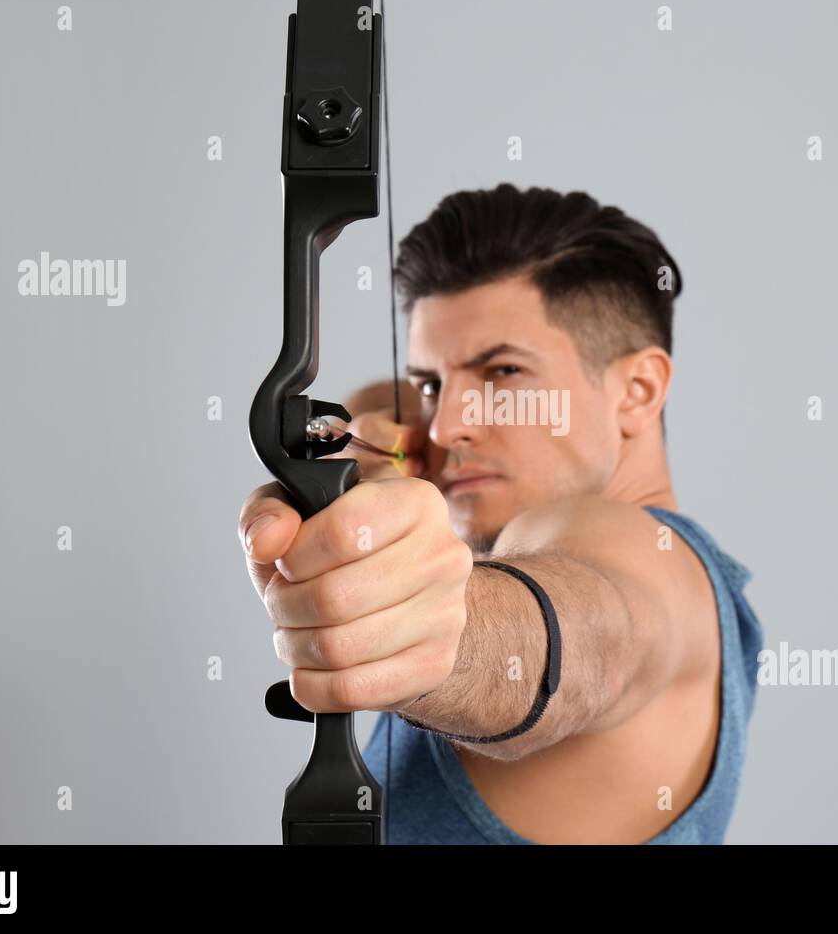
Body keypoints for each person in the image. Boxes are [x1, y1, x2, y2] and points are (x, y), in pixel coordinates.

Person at [237, 183, 762, 844]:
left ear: (638, 391)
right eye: (432, 384)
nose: (449, 423)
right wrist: (381, 440)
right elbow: (394, 405)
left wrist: (423, 628)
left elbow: (589, 640)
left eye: (503, 373)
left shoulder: (637, 556)